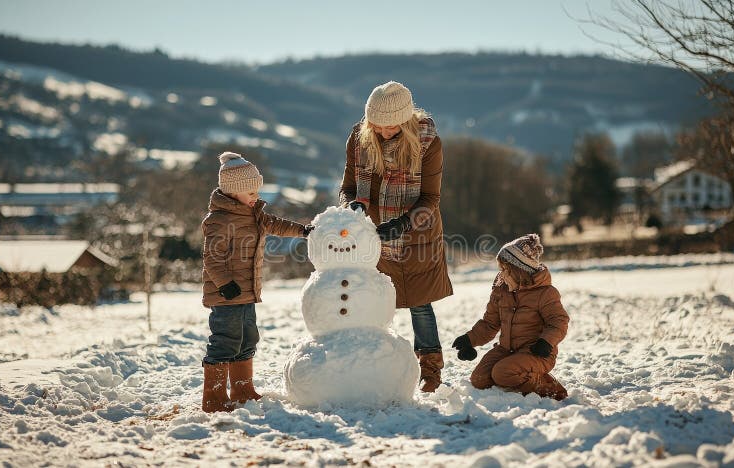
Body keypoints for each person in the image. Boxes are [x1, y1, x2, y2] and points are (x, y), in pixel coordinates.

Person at [339, 81, 453, 392]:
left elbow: (430, 198)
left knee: (419, 303)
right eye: (378, 126)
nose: (384, 132)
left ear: (406, 121)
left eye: (392, 127)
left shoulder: (429, 143)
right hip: (373, 236)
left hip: (416, 234)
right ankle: (378, 365)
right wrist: (352, 205)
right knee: (374, 302)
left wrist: (403, 223)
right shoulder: (359, 139)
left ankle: (430, 370)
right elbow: (348, 187)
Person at [201, 152, 312, 412]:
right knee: (225, 340)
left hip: (248, 291)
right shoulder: (219, 220)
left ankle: (242, 389)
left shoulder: (255, 214)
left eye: (256, 191)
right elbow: (212, 258)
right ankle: (214, 398)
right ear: (232, 192)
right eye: (250, 193)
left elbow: (277, 224)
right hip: (226, 294)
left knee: (248, 338)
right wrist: (225, 284)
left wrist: (302, 230)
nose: (256, 197)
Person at [451, 234, 570, 400]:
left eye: (506, 270)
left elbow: (559, 321)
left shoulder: (544, 293)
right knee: (479, 379)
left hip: (536, 352)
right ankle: (514, 379)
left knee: (502, 373)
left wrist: (546, 341)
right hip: (506, 349)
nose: (502, 275)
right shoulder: (501, 291)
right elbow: (490, 323)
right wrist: (470, 340)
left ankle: (549, 387)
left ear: (520, 271)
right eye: (501, 270)